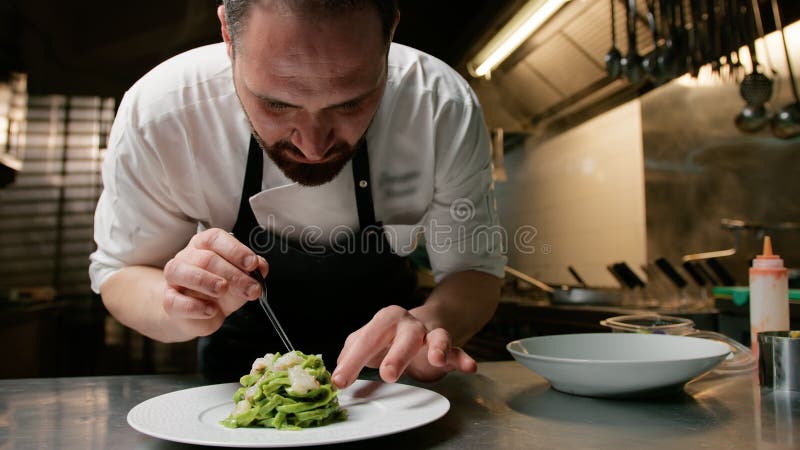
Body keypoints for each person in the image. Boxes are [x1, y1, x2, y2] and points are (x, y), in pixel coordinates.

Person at [90, 0, 505, 386]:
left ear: (390, 33)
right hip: (237, 381)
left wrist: (430, 327)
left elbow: (473, 270)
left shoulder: (439, 107)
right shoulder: (164, 113)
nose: (313, 147)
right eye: (276, 105)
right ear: (228, 36)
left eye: (350, 104)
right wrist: (180, 307)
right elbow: (122, 272)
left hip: (392, 380)